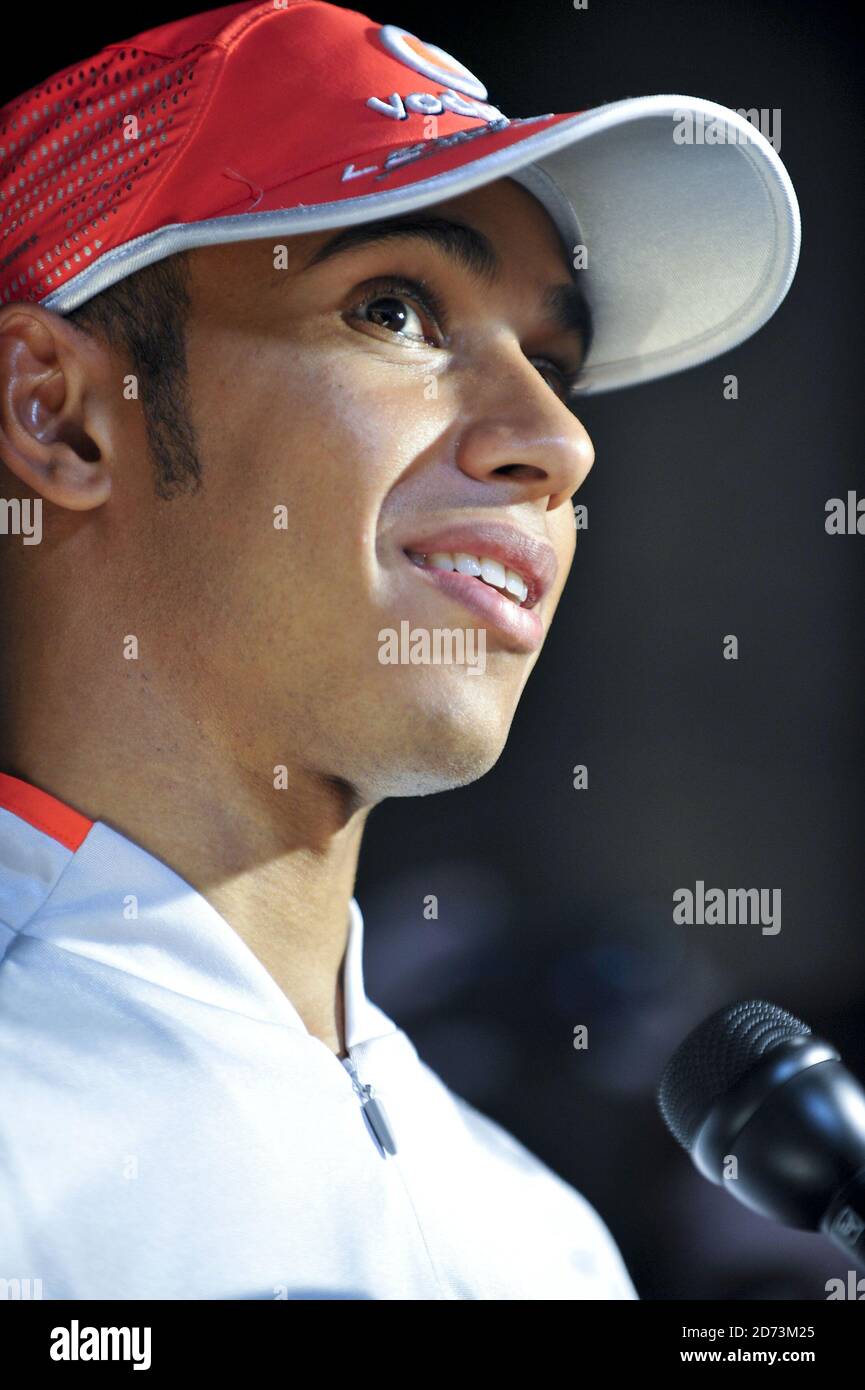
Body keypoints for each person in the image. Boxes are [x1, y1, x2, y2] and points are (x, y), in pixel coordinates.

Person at [0, 0, 799, 1299]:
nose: (557, 438)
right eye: (392, 308)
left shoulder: (552, 1244)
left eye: (553, 359)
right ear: (65, 418)